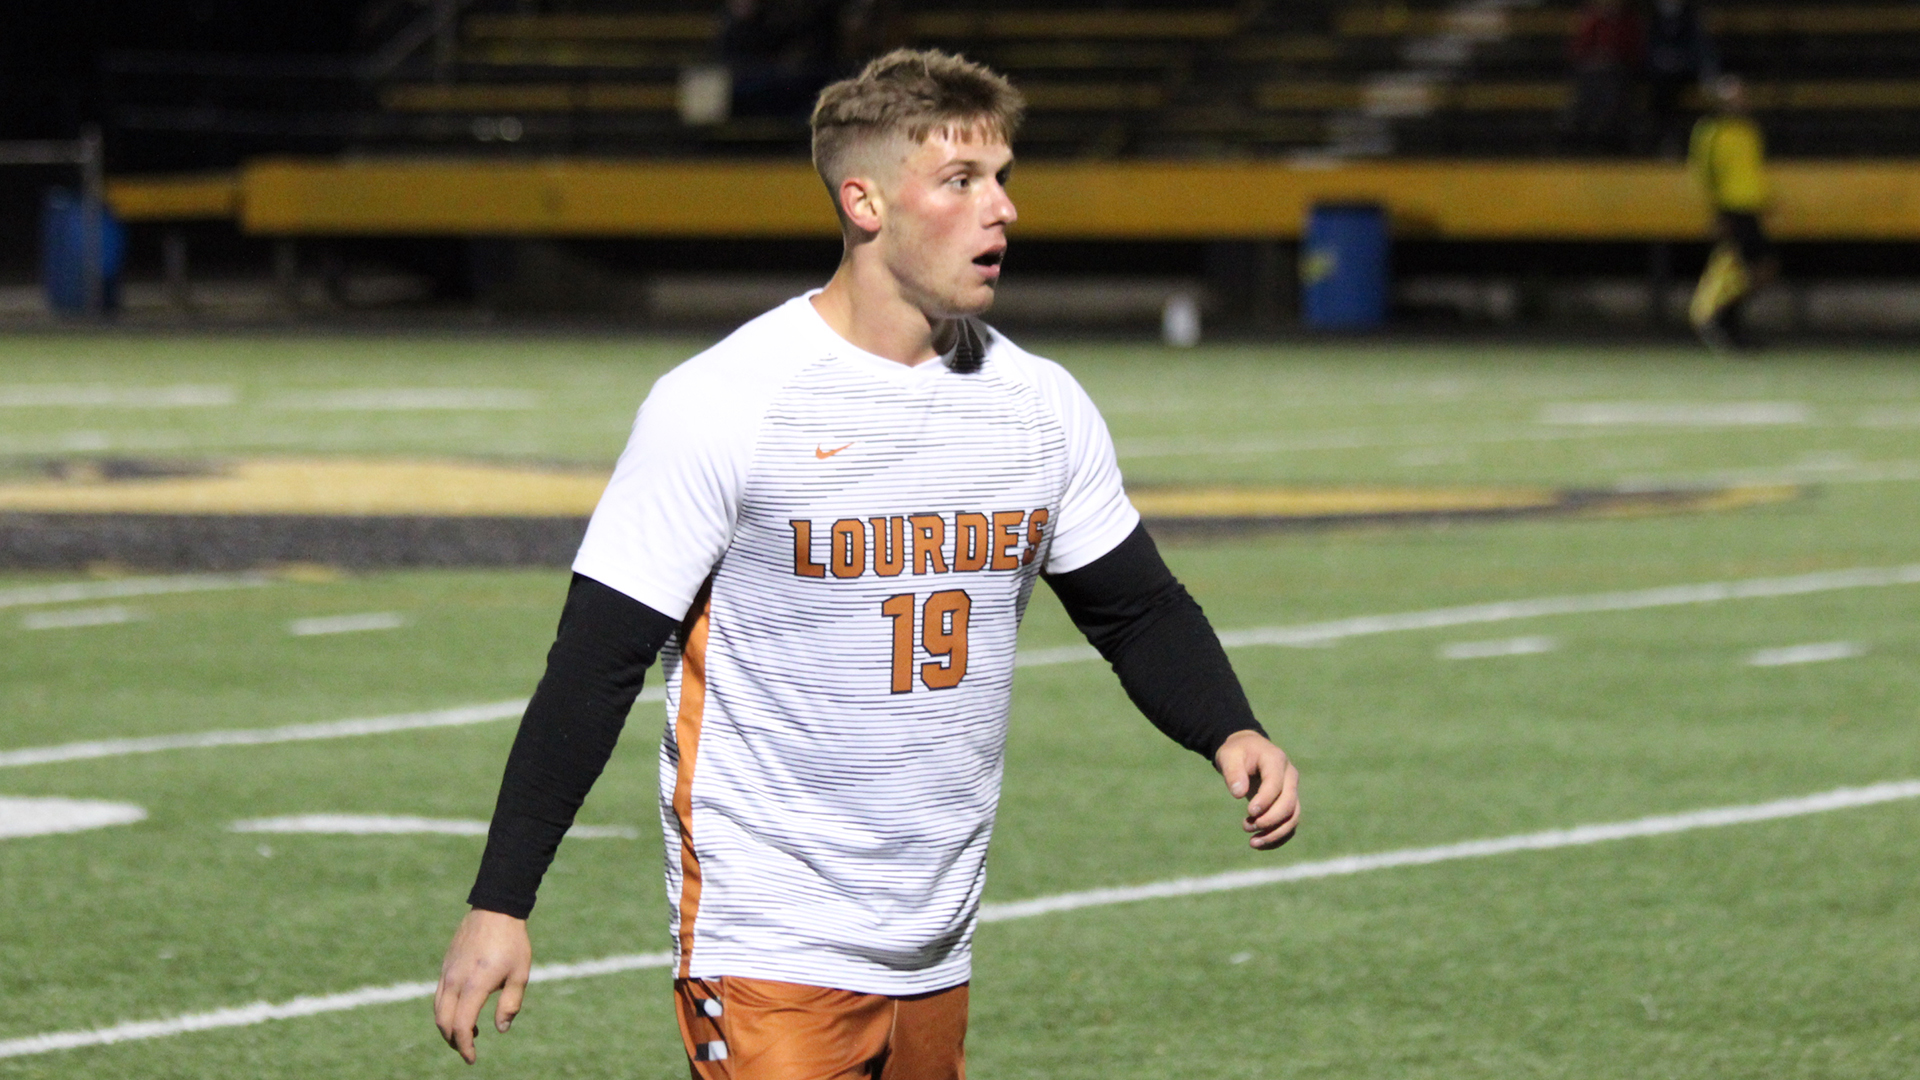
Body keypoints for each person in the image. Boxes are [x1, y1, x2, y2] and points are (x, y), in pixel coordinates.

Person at [432, 49, 1301, 1078]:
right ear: (866, 201)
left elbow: (1134, 607)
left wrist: (1228, 727)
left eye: (1005, 177)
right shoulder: (726, 402)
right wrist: (503, 900)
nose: (1003, 210)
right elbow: (595, 664)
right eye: (963, 181)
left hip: (935, 939)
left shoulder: (1039, 403)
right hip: (769, 941)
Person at [1688, 75, 1776, 352]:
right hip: (1731, 209)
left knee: (1755, 268)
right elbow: (1705, 173)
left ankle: (1725, 323)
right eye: (1734, 97)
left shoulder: (1749, 131)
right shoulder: (1711, 132)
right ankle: (1715, 319)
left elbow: (1751, 172)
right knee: (1749, 266)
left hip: (1749, 208)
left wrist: (1764, 201)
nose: (1741, 101)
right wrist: (1717, 211)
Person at [1564, 0, 1645, 155]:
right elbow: (1577, 48)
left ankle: (1609, 137)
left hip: (1619, 70)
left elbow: (1635, 50)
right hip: (1594, 70)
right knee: (1591, 83)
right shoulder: (1593, 20)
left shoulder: (1629, 21)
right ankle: (1584, 133)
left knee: (1612, 86)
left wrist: (1613, 57)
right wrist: (1595, 57)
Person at [1645, 0, 1717, 156]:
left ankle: (1693, 144)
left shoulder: (1690, 15)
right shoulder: (1651, 14)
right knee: (1661, 89)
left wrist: (1682, 61)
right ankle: (1667, 140)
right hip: (1660, 73)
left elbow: (1699, 47)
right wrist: (1661, 60)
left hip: (1686, 71)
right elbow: (1648, 47)